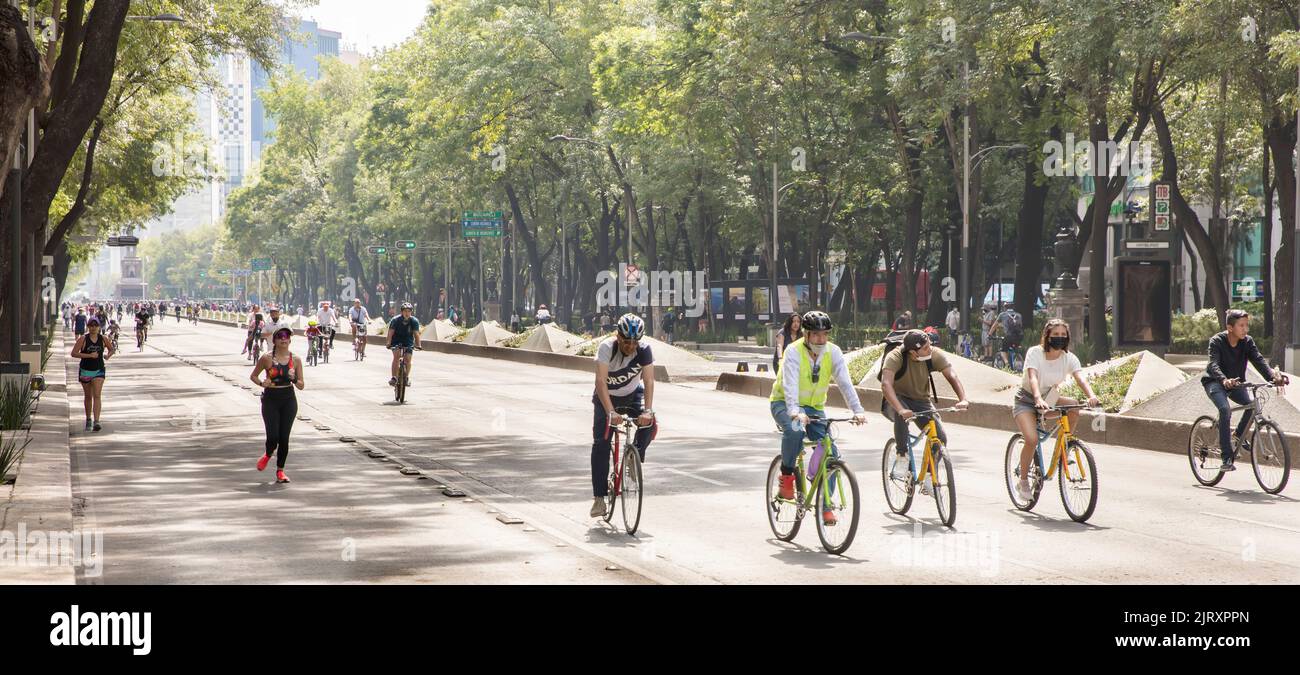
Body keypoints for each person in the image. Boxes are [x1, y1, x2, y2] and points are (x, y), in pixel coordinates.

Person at [769, 310, 867, 525]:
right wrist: (795, 411)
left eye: (825, 335)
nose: (821, 339)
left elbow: (844, 382)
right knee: (794, 431)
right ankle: (786, 477)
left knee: (830, 452)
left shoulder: (833, 352)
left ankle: (825, 503)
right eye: (815, 335)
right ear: (806, 334)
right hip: (784, 403)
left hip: (814, 408)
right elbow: (790, 383)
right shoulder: (793, 351)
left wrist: (857, 410)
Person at [1010, 319, 1101, 500]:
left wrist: (1091, 395)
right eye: (1055, 335)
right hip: (1027, 400)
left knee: (1073, 406)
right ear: (1047, 336)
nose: (1060, 338)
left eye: (1063, 335)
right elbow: (1033, 377)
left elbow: (1080, 378)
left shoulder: (1069, 358)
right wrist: (1037, 398)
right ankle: (1023, 481)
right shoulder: (1035, 353)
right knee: (1032, 439)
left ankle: (1065, 449)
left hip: (1050, 398)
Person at [880, 329, 971, 494]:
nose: (930, 349)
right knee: (902, 415)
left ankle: (929, 475)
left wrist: (962, 398)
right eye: (925, 348)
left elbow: (951, 375)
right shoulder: (895, 356)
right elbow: (886, 384)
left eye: (930, 345)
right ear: (913, 353)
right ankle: (902, 455)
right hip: (896, 397)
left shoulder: (933, 354)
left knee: (940, 437)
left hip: (921, 400)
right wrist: (900, 409)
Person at [589, 313, 658, 518]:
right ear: (618, 337)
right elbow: (600, 382)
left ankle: (632, 457)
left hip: (631, 395)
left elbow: (649, 381)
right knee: (601, 443)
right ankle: (599, 499)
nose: (630, 346)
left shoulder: (644, 350)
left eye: (634, 342)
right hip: (606, 398)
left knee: (651, 423)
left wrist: (647, 410)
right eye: (626, 341)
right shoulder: (606, 348)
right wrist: (610, 411)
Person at [1202, 309, 1288, 471]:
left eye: (1246, 325)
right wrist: (1224, 380)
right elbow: (1213, 364)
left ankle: (1238, 435)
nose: (1245, 329)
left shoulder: (1247, 342)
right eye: (1241, 325)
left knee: (1251, 405)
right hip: (1215, 382)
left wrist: (1273, 378)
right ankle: (1226, 458)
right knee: (1224, 409)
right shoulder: (1217, 341)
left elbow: (1259, 360)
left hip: (1236, 383)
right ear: (1230, 327)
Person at [250, 327, 304, 484]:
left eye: (286, 336)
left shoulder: (296, 359)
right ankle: (267, 454)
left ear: (290, 340)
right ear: (274, 340)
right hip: (271, 399)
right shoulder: (266, 358)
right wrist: (262, 383)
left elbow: (301, 385)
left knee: (284, 438)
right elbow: (253, 376)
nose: (283, 338)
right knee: (273, 436)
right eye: (280, 336)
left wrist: (293, 379)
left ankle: (280, 471)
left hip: (288, 399)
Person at [72, 317, 114, 432]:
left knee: (97, 395)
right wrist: (89, 356)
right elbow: (74, 353)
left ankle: (97, 421)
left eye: (96, 325)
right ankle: (88, 419)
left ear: (99, 327)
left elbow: (111, 349)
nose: (93, 328)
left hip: (99, 370)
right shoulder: (83, 339)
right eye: (91, 325)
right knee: (88, 396)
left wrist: (107, 356)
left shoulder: (103, 339)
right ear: (88, 327)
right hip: (85, 370)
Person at [386, 302, 422, 387]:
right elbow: (390, 333)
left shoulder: (414, 321)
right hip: (396, 340)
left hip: (408, 340)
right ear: (401, 312)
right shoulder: (395, 320)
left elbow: (416, 334)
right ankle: (394, 377)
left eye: (409, 311)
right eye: (405, 311)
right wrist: (388, 343)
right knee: (396, 356)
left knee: (408, 359)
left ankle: (406, 377)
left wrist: (418, 345)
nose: (407, 313)